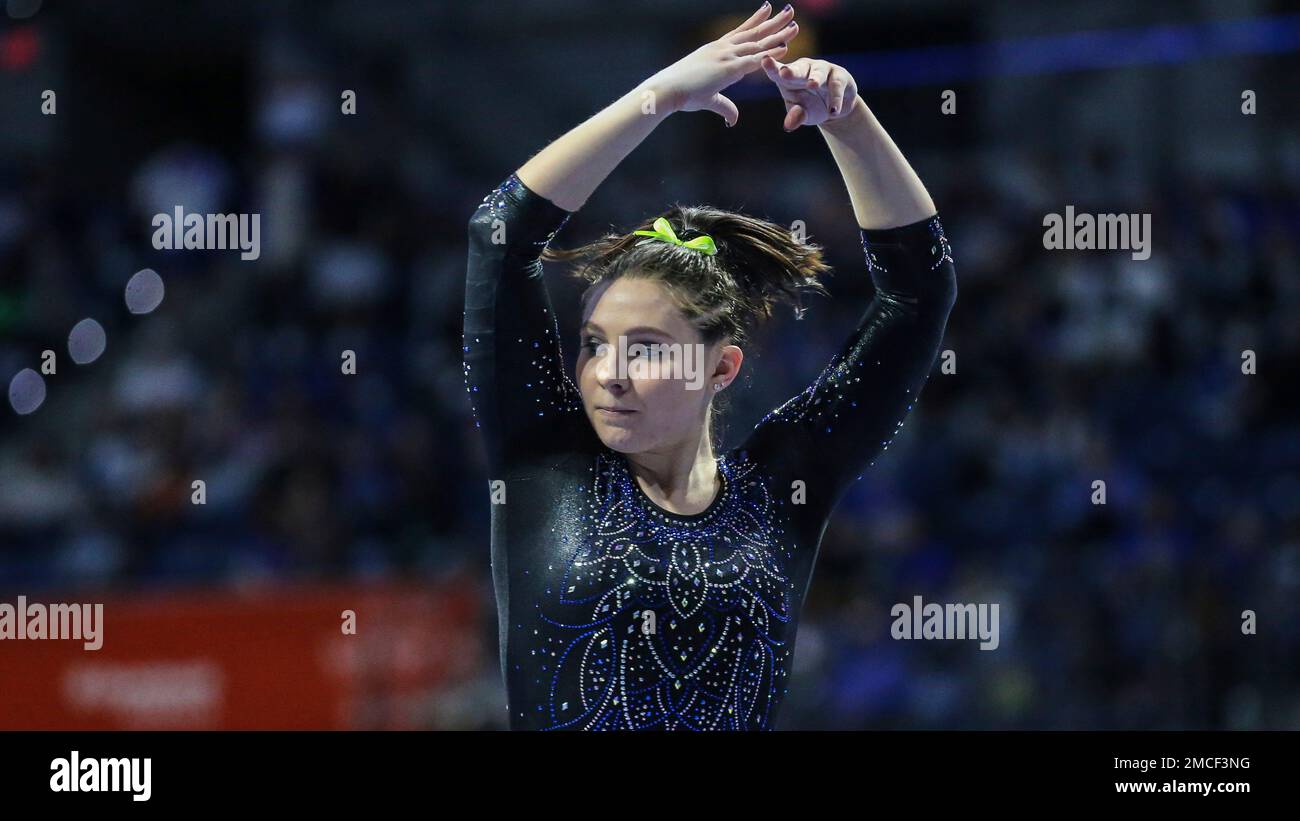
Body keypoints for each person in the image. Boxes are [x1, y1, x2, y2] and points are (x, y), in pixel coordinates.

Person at [463, 1, 956, 730]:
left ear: (720, 368)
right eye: (596, 343)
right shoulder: (545, 460)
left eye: (648, 348)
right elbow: (499, 237)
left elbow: (919, 292)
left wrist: (849, 123)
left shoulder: (785, 485)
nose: (609, 373)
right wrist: (656, 97)